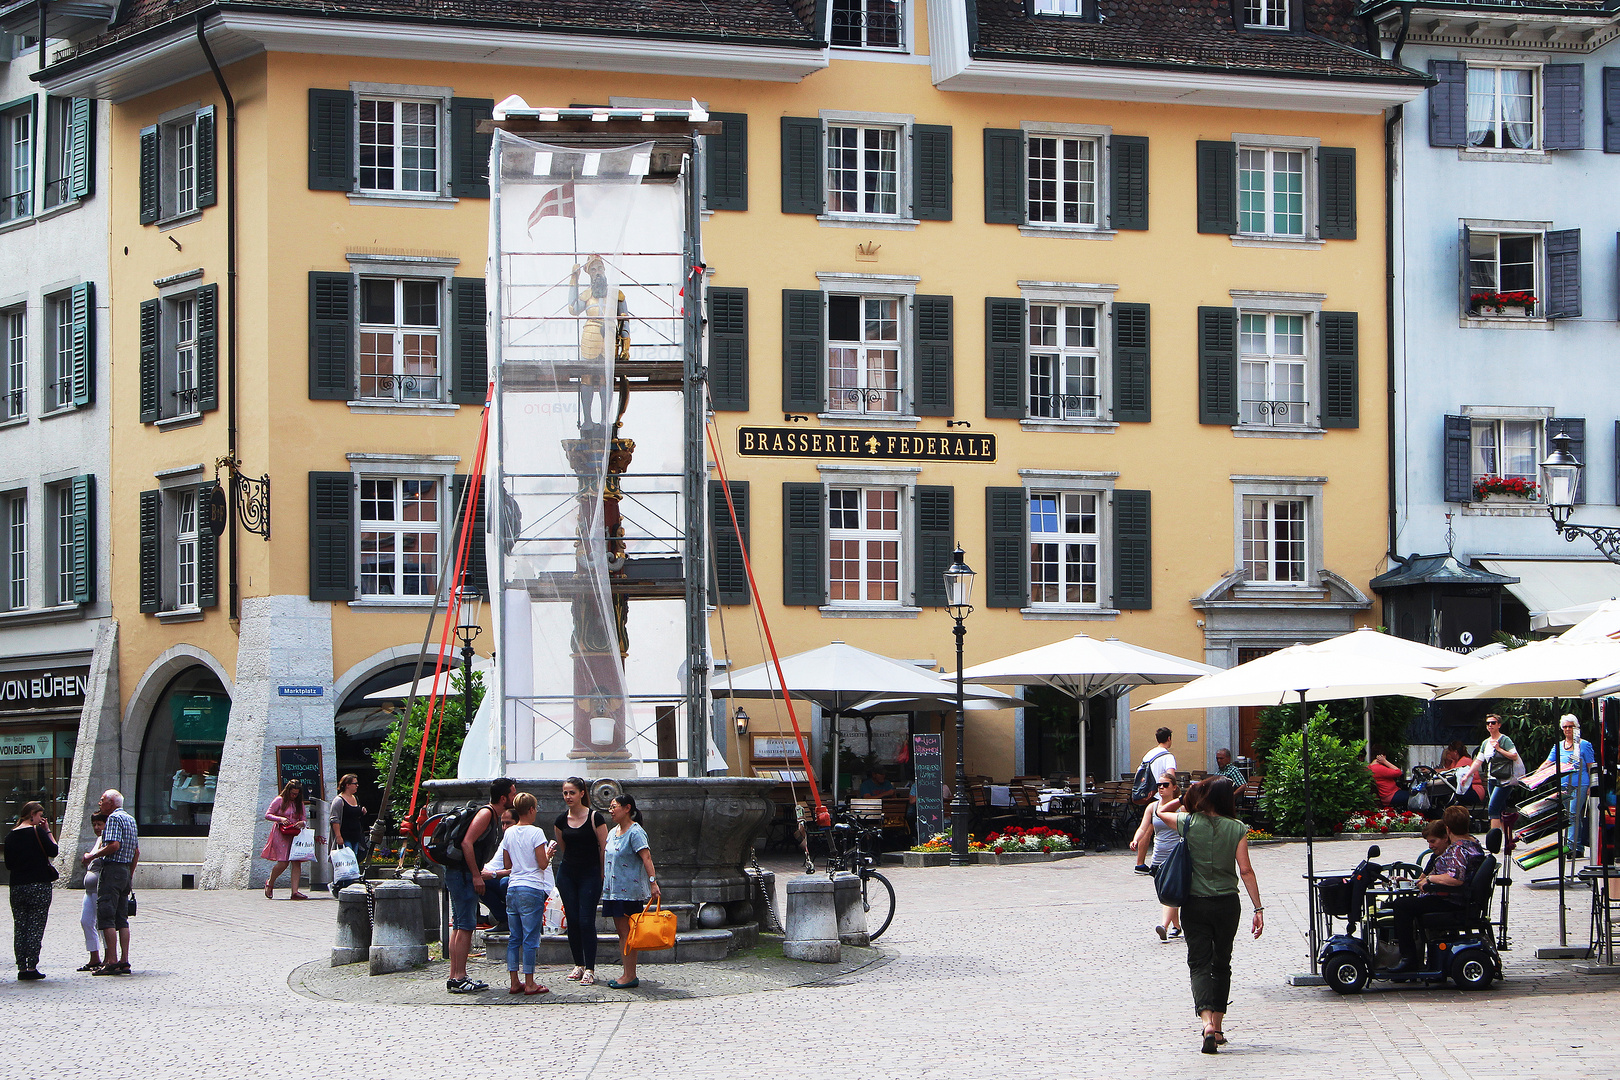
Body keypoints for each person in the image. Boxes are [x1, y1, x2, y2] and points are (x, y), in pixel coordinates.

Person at [1156, 777, 1263, 1055]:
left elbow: (1160, 811)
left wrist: (1187, 795)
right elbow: (1246, 871)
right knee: (1222, 963)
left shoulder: (1189, 822)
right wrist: (1258, 908)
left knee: (1199, 963)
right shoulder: (1237, 827)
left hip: (1196, 904)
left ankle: (1205, 1024)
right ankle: (1218, 1026)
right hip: (1227, 904)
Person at [1386, 805, 1483, 975]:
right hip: (1460, 899)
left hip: (1452, 900)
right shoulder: (1473, 843)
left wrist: (1430, 879)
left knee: (1401, 906)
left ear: (1448, 829)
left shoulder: (1459, 849)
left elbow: (1455, 878)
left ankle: (1409, 959)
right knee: (1407, 904)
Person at [446, 777, 515, 995]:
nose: (515, 796)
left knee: (459, 924)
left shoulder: (492, 815)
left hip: (460, 873)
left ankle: (454, 976)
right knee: (465, 925)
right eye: (513, 793)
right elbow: (467, 842)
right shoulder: (486, 814)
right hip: (463, 875)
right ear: (503, 798)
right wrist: (476, 875)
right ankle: (459, 977)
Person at [601, 794, 660, 990]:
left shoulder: (635, 832)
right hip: (613, 891)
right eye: (609, 807)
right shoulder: (612, 832)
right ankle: (627, 973)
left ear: (627, 808)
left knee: (628, 933)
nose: (611, 810)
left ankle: (630, 975)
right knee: (622, 933)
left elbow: (647, 857)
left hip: (630, 890)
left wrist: (653, 883)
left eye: (614, 806)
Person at [554, 776, 609, 986]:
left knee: (586, 920)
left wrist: (602, 873)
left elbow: (604, 848)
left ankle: (590, 967)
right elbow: (563, 847)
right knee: (573, 920)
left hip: (590, 872)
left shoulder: (596, 818)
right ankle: (578, 963)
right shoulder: (560, 820)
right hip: (568, 873)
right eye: (565, 793)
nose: (568, 797)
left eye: (572, 793)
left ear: (582, 794)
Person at [495, 792, 552, 995]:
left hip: (513, 887)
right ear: (530, 810)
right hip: (532, 887)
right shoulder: (536, 833)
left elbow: (508, 864)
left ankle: (514, 981)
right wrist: (548, 854)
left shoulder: (508, 833)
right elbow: (542, 864)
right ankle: (530, 982)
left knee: (514, 937)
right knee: (530, 937)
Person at [4, 801, 58, 981]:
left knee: (20, 926)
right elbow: (54, 850)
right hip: (39, 884)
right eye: (40, 816)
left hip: (17, 886)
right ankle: (32, 965)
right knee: (35, 925)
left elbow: (9, 864)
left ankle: (21, 967)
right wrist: (48, 830)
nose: (41, 819)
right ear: (32, 815)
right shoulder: (38, 832)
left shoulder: (10, 836)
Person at [87, 789, 138, 975]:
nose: (100, 803)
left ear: (112, 803)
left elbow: (113, 845)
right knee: (122, 918)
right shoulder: (130, 819)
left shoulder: (114, 819)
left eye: (103, 800)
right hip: (125, 869)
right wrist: (129, 874)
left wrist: (92, 856)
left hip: (113, 869)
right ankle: (125, 960)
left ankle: (111, 961)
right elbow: (136, 851)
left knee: (107, 916)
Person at [1130, 776, 1183, 940]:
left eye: (1165, 785)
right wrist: (1136, 840)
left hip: (1176, 856)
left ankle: (1164, 926)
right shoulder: (1153, 807)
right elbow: (1143, 827)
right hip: (1158, 857)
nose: (1161, 788)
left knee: (1169, 892)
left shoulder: (1182, 808)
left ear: (1174, 787)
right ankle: (1177, 926)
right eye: (1158, 785)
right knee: (1165, 893)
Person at [1545, 715, 1596, 854]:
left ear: (1576, 728)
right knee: (1570, 815)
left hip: (1581, 783)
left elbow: (1591, 766)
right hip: (1564, 785)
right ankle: (1578, 847)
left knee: (1573, 814)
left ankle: (1571, 847)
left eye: (1571, 726)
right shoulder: (1559, 746)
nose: (1568, 729)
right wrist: (1534, 777)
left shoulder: (1584, 745)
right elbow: (1548, 762)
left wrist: (1592, 786)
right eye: (1565, 727)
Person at [1465, 715, 1520, 834]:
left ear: (1499, 725)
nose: (1490, 725)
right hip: (1491, 779)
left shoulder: (1505, 740)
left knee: (1493, 808)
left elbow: (1514, 755)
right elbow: (1478, 761)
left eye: (1493, 723)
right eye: (1488, 723)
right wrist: (1467, 775)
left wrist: (1499, 749)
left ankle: (1494, 840)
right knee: (1500, 809)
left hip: (1505, 780)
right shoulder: (1485, 743)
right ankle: (1509, 839)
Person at [261, 780, 311, 899]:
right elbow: (268, 814)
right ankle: (270, 882)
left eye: (296, 794)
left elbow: (303, 817)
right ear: (288, 791)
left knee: (296, 861)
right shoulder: (279, 800)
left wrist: (302, 823)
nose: (294, 796)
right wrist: (280, 819)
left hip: (295, 833)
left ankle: (295, 891)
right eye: (292, 793)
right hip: (281, 833)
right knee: (283, 862)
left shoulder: (299, 803)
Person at [78, 813, 107, 971]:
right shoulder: (98, 839)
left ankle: (108, 957)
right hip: (89, 889)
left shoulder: (107, 838)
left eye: (99, 824)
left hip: (99, 888)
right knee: (86, 921)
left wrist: (90, 857)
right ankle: (94, 957)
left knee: (102, 924)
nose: (96, 828)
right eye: (94, 824)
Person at [480, 807, 515, 933]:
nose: (505, 827)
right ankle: (504, 919)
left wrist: (495, 874)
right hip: (506, 878)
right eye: (503, 823)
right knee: (479, 881)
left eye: (508, 823)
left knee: (505, 882)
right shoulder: (505, 840)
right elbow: (494, 863)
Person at [328, 773, 366, 861]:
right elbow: (334, 819)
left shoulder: (355, 798)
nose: (357, 786)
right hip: (345, 835)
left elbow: (355, 815)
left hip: (356, 835)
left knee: (354, 858)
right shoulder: (339, 800)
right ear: (347, 785)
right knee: (348, 858)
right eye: (355, 783)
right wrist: (338, 836)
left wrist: (362, 812)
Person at [1440, 742, 1484, 806]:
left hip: (1474, 791)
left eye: (1450, 751)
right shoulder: (1455, 762)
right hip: (1464, 790)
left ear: (1455, 752)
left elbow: (1452, 773)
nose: (1448, 753)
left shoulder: (1465, 761)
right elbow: (1448, 770)